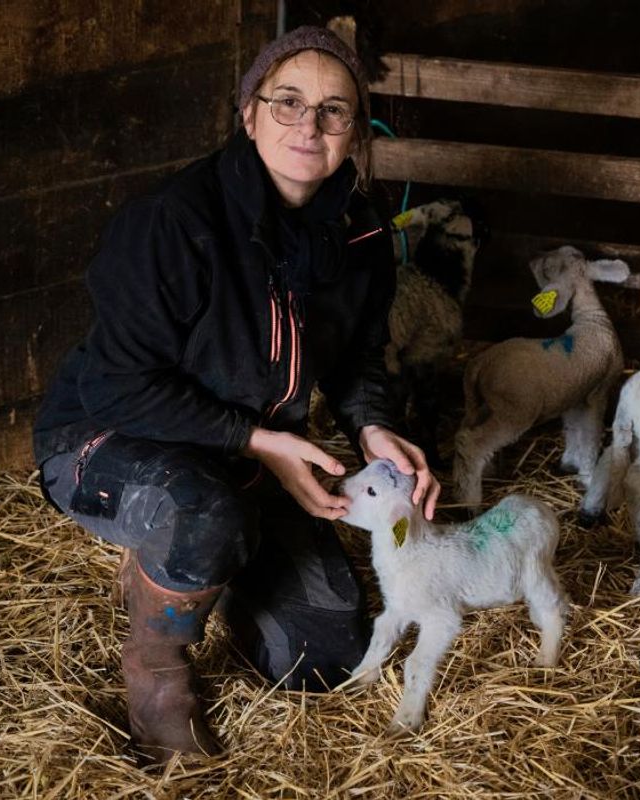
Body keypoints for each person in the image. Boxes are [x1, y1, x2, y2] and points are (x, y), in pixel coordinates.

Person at [32, 26, 439, 765]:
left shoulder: (359, 236)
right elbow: (116, 384)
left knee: (321, 656)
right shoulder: (174, 224)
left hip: (249, 457)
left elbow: (357, 362)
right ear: (248, 113)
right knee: (205, 512)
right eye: (287, 102)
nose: (308, 126)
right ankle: (155, 667)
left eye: (334, 110)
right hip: (103, 441)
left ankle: (191, 563)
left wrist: (374, 427)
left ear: (355, 131)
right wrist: (261, 442)